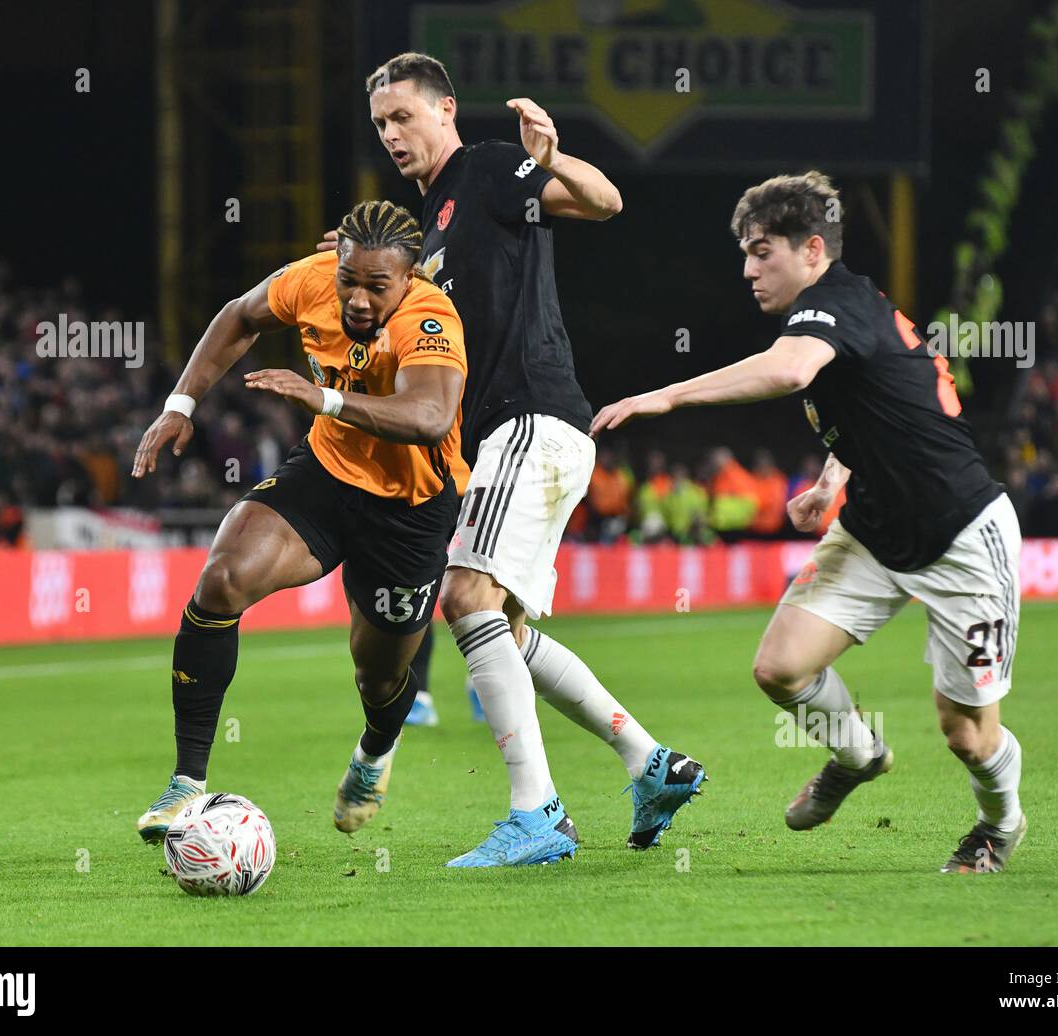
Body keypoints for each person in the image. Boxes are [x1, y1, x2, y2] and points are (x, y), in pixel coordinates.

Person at [592, 171, 1026, 874]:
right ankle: (858, 755)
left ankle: (998, 826)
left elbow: (790, 372)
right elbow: (887, 407)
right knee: (781, 668)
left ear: (813, 249)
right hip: (876, 529)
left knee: (967, 736)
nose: (748, 268)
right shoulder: (845, 312)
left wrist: (665, 396)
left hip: (961, 536)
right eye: (745, 252)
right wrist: (833, 477)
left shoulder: (831, 309)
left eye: (763, 251)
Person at [358, 51, 705, 866]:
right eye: (380, 124)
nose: (392, 134)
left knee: (465, 594)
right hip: (514, 439)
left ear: (445, 111)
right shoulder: (429, 222)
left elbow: (606, 200)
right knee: (503, 628)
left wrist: (551, 158)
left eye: (404, 116)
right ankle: (649, 763)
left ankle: (536, 812)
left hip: (531, 419)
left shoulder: (482, 170)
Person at [130, 200, 467, 843]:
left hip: (410, 507)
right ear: (334, 264)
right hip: (326, 472)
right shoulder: (310, 279)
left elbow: (430, 415)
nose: (361, 300)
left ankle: (373, 751)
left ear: (410, 278)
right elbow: (239, 316)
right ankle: (186, 786)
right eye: (351, 281)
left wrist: (327, 397)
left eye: (379, 286)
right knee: (222, 579)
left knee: (379, 675)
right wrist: (181, 404)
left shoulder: (431, 317)